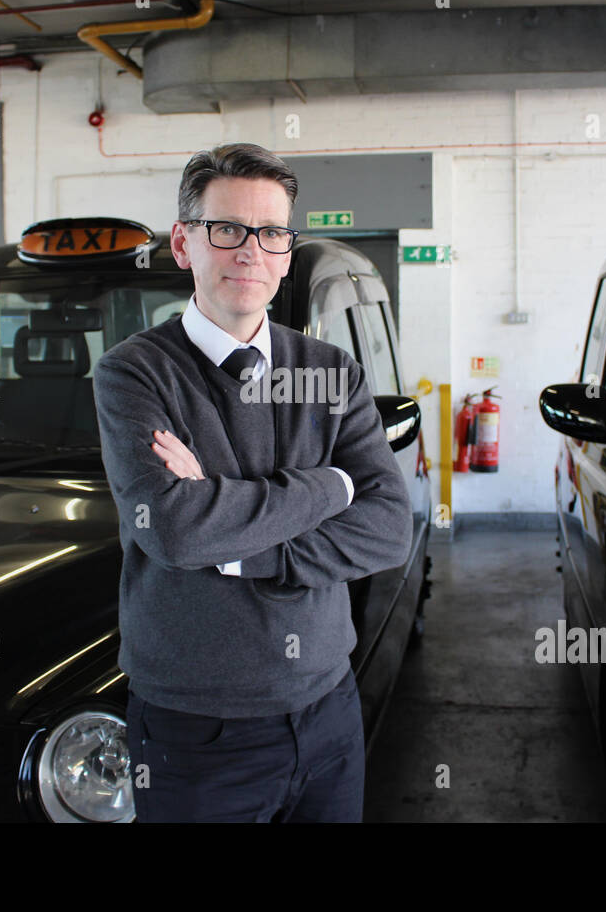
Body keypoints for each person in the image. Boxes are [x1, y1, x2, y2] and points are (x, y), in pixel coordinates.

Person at [92, 142, 413, 822]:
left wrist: (239, 544)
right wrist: (329, 488)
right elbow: (175, 527)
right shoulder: (134, 374)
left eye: (271, 233)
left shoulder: (332, 373)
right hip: (195, 734)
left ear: (287, 250)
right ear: (184, 244)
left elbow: (388, 528)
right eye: (227, 229)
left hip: (329, 711)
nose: (251, 252)